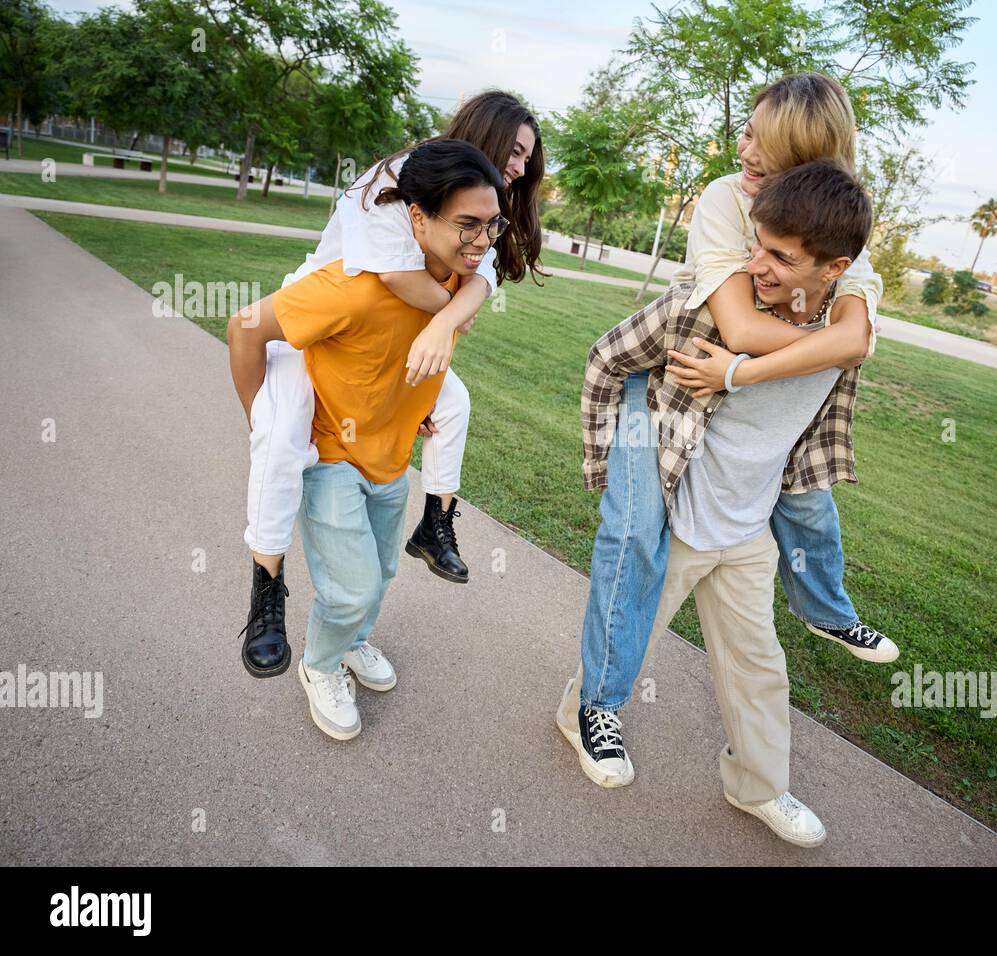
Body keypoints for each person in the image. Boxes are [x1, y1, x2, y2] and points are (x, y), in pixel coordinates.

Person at [562, 72, 898, 787]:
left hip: (723, 409)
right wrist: (824, 341)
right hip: (651, 386)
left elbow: (853, 341)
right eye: (745, 128)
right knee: (634, 536)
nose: (741, 147)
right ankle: (594, 708)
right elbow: (743, 326)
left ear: (811, 157)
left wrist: (758, 367)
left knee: (805, 500)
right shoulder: (725, 197)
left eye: (762, 141)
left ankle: (820, 627)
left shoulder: (841, 227)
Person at [236, 91, 544, 681]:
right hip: (314, 331)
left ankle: (435, 521)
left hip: (389, 336)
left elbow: (476, 284)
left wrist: (446, 324)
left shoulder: (478, 209)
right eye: (518, 150)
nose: (522, 166)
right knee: (281, 442)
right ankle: (266, 589)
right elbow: (401, 280)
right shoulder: (396, 185)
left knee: (453, 402)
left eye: (529, 158)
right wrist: (454, 310)